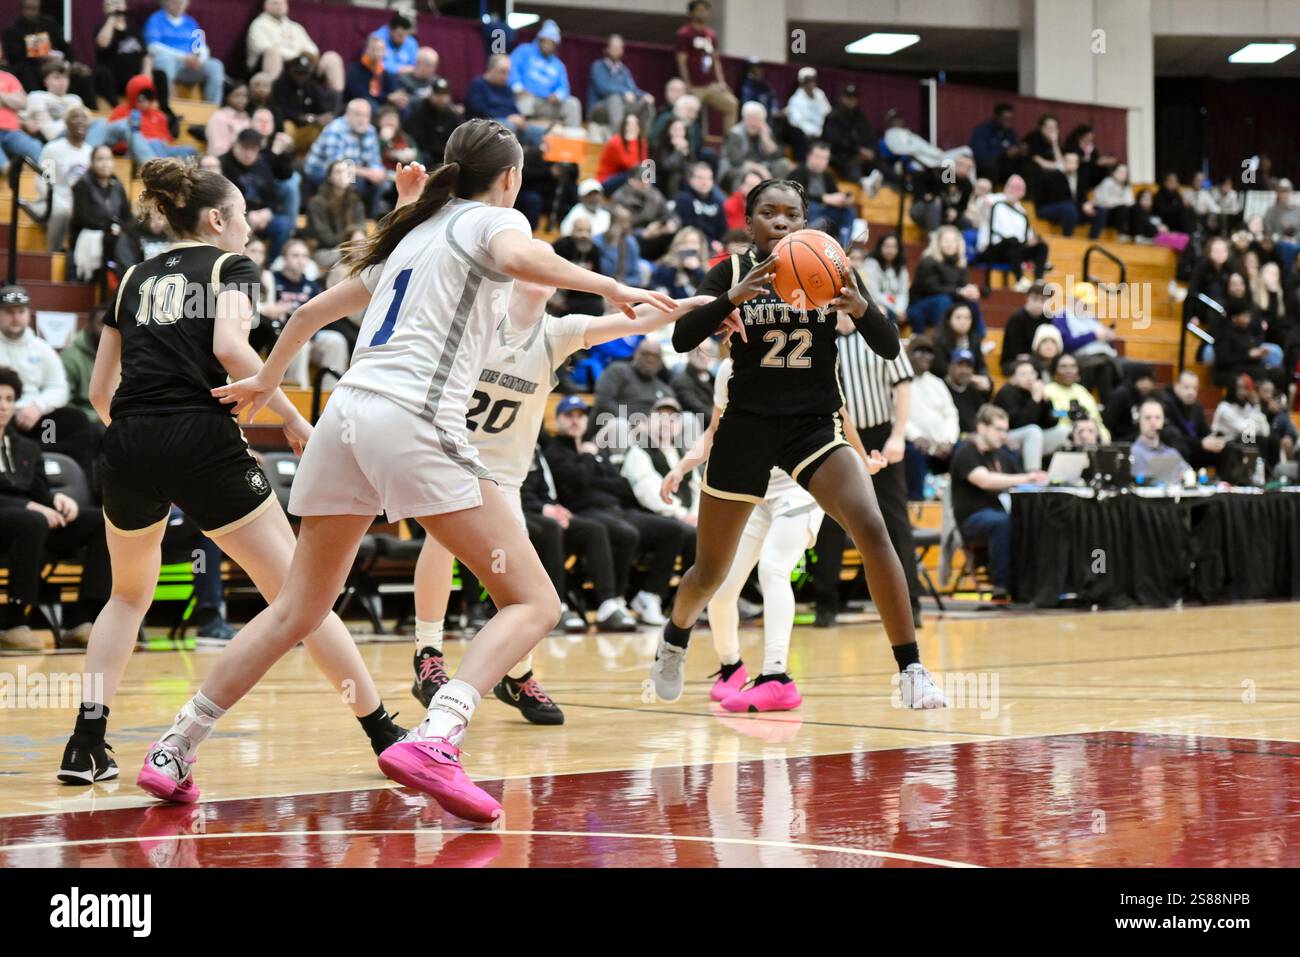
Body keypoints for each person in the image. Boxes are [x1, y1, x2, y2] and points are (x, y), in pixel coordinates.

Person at [142, 121, 673, 821]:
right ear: (509, 179)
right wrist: (609, 283)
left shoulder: (410, 237)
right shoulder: (493, 220)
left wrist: (269, 383)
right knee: (536, 601)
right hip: (411, 419)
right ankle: (439, 734)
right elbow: (524, 255)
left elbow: (305, 314)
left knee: (299, 607)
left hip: (344, 419)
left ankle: (177, 744)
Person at [55, 157, 409, 787]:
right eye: (243, 216)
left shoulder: (133, 276)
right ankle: (382, 730)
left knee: (129, 595)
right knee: (301, 596)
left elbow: (99, 390)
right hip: (199, 435)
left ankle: (86, 744)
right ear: (217, 219)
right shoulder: (230, 267)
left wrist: (144, 432)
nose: (248, 229)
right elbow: (229, 348)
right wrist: (292, 421)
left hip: (130, 439)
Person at [651, 176, 946, 708]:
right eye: (768, 212)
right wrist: (729, 300)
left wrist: (857, 307)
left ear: (805, 222)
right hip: (745, 426)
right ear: (749, 221)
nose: (781, 222)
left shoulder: (830, 266)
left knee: (872, 525)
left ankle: (911, 670)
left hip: (813, 425)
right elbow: (679, 337)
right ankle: (674, 638)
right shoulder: (732, 270)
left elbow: (887, 345)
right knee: (712, 570)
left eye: (791, 214)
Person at [409, 279, 707, 720]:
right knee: (441, 541)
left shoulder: (557, 332)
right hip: (453, 461)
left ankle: (518, 673)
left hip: (504, 480)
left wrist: (697, 306)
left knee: (521, 588)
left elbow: (638, 319)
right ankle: (427, 653)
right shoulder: (479, 324)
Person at [661, 354, 886, 711]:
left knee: (773, 568)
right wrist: (683, 466)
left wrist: (861, 459)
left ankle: (777, 676)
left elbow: (840, 417)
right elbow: (717, 429)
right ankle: (731, 667)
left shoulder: (807, 360)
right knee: (721, 585)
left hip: (800, 485)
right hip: (753, 489)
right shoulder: (729, 370)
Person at [0, 367, 109, 653]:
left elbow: (39, 491)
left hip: (30, 522)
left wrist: (58, 502)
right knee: (33, 521)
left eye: (9, 399)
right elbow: (27, 501)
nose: (3, 406)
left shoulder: (26, 447)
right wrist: (28, 506)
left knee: (101, 521)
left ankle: (80, 619)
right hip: (12, 521)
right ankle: (14, 622)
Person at [0, 285, 99, 480]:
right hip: (4, 416)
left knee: (76, 421)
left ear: (28, 314)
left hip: (39, 421)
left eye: (21, 311)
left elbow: (59, 388)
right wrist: (13, 408)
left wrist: (38, 406)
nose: (16, 317)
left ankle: (86, 490)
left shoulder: (41, 348)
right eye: (9, 312)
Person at [950, 404, 1047, 599]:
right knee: (1002, 522)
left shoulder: (1003, 456)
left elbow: (1020, 481)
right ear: (981, 428)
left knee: (1031, 520)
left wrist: (1039, 479)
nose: (1004, 435)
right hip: (972, 518)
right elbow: (984, 480)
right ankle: (1001, 584)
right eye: (999, 430)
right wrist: (1026, 478)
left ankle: (1032, 582)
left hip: (1000, 512)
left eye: (1006, 430)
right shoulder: (965, 453)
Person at [304, 100, 387, 217]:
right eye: (358, 114)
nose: (362, 119)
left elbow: (374, 161)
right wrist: (369, 173)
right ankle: (348, 222)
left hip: (353, 170)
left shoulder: (370, 130)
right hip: (321, 171)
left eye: (366, 115)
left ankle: (371, 224)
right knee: (353, 181)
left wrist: (378, 172)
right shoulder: (336, 129)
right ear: (348, 114)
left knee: (382, 183)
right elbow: (336, 165)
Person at [220, 128, 294, 259]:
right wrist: (247, 215)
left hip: (262, 217)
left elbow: (273, 196)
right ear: (235, 145)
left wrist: (268, 212)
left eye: (253, 149)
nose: (248, 153)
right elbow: (223, 200)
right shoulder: (223, 164)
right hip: (233, 217)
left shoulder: (262, 165)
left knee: (285, 224)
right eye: (245, 148)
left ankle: (269, 264)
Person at [903, 337, 959, 500]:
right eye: (920, 352)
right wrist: (916, 437)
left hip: (942, 445)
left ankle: (960, 502)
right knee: (913, 454)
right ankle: (917, 502)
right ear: (909, 355)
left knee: (964, 450)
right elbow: (896, 416)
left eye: (929, 353)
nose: (925, 356)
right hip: (916, 444)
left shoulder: (937, 383)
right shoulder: (900, 382)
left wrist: (949, 440)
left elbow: (951, 414)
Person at [246, 0, 343, 92]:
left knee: (332, 58)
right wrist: (297, 55)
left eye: (282, 3)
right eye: (275, 3)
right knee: (272, 53)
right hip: (276, 67)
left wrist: (300, 57)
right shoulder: (259, 25)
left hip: (302, 66)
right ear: (265, 5)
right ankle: (271, 97)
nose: (280, 6)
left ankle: (335, 99)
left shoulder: (295, 27)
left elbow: (313, 50)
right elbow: (261, 47)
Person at [4, 0, 92, 99]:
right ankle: (36, 102)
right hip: (30, 66)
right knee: (27, 71)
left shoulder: (49, 24)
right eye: (28, 9)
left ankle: (85, 106)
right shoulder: (12, 29)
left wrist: (73, 62)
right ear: (21, 10)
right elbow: (14, 56)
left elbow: (65, 47)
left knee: (81, 73)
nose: (31, 13)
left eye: (34, 9)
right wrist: (39, 56)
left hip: (55, 63)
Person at [143, 0, 225, 104]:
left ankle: (212, 109)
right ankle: (166, 106)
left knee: (215, 66)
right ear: (165, 2)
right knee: (163, 60)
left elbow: (202, 46)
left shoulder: (191, 22)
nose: (179, 5)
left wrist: (199, 59)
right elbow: (153, 47)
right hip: (170, 63)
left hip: (190, 66)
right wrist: (184, 57)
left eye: (182, 2)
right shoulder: (155, 20)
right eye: (175, 2)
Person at [34, 105, 93, 253]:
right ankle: (53, 252)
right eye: (75, 117)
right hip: (54, 200)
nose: (80, 121)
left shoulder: (90, 152)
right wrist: (57, 201)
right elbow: (43, 181)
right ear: (66, 123)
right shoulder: (53, 149)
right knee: (61, 211)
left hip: (81, 202)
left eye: (84, 118)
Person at [70, 145, 133, 278]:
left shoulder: (117, 185)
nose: (105, 163)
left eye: (109, 159)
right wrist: (108, 227)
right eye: (100, 159)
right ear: (92, 163)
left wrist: (124, 227)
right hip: (89, 234)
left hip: (114, 233)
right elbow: (81, 217)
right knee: (112, 240)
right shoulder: (82, 185)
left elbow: (127, 215)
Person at [993, 360, 1069, 471]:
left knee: (1063, 431)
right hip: (1008, 438)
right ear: (1013, 378)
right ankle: (1033, 474)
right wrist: (1035, 400)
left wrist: (1046, 401)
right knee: (1033, 431)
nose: (1029, 378)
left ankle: (1062, 475)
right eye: (1023, 374)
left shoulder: (1035, 392)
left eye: (1032, 373)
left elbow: (1050, 423)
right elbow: (1019, 423)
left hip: (1033, 440)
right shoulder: (1006, 392)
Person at [675, 0, 738, 134]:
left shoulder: (711, 35)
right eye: (699, 10)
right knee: (688, 114)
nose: (703, 13)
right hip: (694, 86)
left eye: (705, 10)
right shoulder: (685, 33)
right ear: (691, 13)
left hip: (710, 84)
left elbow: (716, 60)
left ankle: (729, 144)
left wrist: (721, 82)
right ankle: (685, 145)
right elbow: (681, 60)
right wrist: (687, 84)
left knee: (732, 104)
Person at [976, 174, 1049, 290]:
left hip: (1014, 252)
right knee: (1012, 241)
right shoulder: (992, 200)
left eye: (1018, 188)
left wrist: (1033, 241)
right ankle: (1020, 280)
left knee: (1042, 246)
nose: (1013, 191)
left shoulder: (1022, 212)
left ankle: (1038, 281)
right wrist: (983, 201)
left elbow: (1029, 236)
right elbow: (980, 206)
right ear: (1005, 187)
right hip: (991, 249)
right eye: (1011, 186)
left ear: (1023, 193)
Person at [908, 225, 983, 335]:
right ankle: (940, 339)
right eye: (946, 241)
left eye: (953, 241)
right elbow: (931, 288)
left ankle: (977, 342)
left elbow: (962, 287)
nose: (950, 244)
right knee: (943, 300)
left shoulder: (961, 264)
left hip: (947, 302)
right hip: (921, 305)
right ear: (938, 243)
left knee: (972, 302)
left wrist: (970, 291)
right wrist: (959, 291)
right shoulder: (928, 261)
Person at [509, 20, 582, 128]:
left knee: (572, 104)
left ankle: (572, 138)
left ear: (555, 45)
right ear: (540, 40)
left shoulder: (558, 65)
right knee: (524, 100)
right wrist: (518, 88)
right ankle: (520, 133)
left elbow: (564, 88)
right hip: (526, 98)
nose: (548, 45)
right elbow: (512, 69)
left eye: (551, 43)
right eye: (545, 41)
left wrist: (557, 96)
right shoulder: (524, 51)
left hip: (547, 103)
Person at [789, 140, 856, 249]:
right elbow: (795, 196)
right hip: (805, 213)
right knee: (814, 207)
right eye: (818, 157)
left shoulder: (827, 176)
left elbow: (835, 195)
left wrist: (845, 199)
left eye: (825, 158)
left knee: (849, 211)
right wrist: (824, 198)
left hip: (825, 213)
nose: (820, 161)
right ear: (809, 156)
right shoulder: (797, 173)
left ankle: (843, 247)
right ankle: (805, 243)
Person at [306, 158, 367, 272]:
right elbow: (325, 237)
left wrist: (357, 234)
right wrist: (351, 240)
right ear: (329, 178)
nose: (343, 175)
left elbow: (361, 225)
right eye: (338, 172)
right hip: (326, 251)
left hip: (353, 248)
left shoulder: (355, 200)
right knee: (352, 256)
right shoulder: (317, 202)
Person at [588, 34, 654, 131]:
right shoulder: (597, 66)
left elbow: (632, 89)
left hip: (621, 107)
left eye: (620, 48)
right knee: (615, 98)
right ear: (607, 49)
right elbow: (602, 87)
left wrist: (644, 95)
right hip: (598, 109)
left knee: (646, 103)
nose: (617, 50)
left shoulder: (624, 70)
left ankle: (644, 141)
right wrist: (624, 92)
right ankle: (618, 138)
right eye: (614, 47)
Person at [93, 0, 150, 107]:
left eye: (118, 3)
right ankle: (117, 107)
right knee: (101, 72)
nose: (115, 7)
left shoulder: (134, 27)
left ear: (125, 6)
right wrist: (111, 18)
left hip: (135, 77)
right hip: (115, 79)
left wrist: (146, 74)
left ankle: (164, 111)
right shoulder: (100, 28)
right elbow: (103, 43)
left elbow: (145, 54)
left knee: (160, 74)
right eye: (110, 4)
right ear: (105, 9)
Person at [1044, 353, 1110, 443]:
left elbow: (1096, 418)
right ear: (1054, 371)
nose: (1069, 370)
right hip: (1063, 434)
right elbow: (1052, 413)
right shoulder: (1048, 390)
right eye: (1063, 367)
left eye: (1073, 366)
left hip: (1089, 433)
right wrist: (1068, 413)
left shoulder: (1082, 390)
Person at [822, 84, 879, 186]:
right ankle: (863, 184)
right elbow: (835, 140)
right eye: (848, 97)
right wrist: (858, 150)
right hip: (841, 155)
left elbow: (870, 136)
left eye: (854, 98)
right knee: (852, 164)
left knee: (879, 162)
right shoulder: (834, 115)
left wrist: (871, 150)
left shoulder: (860, 117)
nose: (851, 100)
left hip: (860, 155)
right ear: (843, 97)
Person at [720, 101, 789, 182]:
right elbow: (736, 160)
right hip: (738, 168)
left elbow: (777, 155)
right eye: (750, 119)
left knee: (783, 164)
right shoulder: (735, 133)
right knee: (748, 173)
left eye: (757, 120)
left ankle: (776, 191)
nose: (753, 123)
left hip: (762, 165)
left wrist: (766, 139)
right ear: (744, 119)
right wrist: (759, 169)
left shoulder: (766, 131)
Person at [405, 77, 462, 167]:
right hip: (426, 154)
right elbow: (416, 139)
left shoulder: (452, 115)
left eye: (445, 95)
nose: (442, 99)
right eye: (438, 94)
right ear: (431, 94)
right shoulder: (419, 112)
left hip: (445, 155)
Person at [1130, 398, 1190, 481]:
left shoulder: (1172, 453)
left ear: (1163, 421)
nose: (1153, 422)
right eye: (1147, 418)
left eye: (1157, 417)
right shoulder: (1131, 454)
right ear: (1138, 421)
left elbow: (1190, 474)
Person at [0, 69, 46, 175]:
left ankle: (50, 179)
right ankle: (8, 171)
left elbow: (23, 103)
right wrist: (9, 99)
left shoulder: (8, 78)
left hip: (12, 131)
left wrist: (1, 96)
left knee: (36, 147)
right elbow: (16, 101)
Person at [999, 282, 1050, 376]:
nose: (1038, 304)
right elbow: (1014, 351)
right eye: (1035, 299)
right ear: (1027, 298)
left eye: (1043, 300)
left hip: (1036, 360)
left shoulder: (1048, 319)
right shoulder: (1016, 319)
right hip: (1012, 362)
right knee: (1036, 367)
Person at [344, 35, 403, 115]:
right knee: (371, 104)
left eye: (380, 50)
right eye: (374, 49)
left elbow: (392, 90)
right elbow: (361, 94)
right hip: (359, 106)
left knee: (402, 107)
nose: (377, 53)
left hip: (382, 105)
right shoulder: (355, 70)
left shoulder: (385, 73)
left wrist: (397, 97)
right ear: (366, 50)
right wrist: (387, 98)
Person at [465, 54, 526, 131]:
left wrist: (519, 118)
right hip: (484, 126)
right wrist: (507, 118)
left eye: (508, 73)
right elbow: (480, 111)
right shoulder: (477, 84)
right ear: (490, 70)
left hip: (510, 123)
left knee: (537, 131)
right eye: (502, 72)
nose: (506, 76)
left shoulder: (506, 87)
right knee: (508, 126)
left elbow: (514, 108)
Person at [969, 102, 1026, 184]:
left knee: (1025, 166)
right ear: (997, 117)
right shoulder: (983, 130)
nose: (1008, 121)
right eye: (1005, 118)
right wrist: (1004, 154)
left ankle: (1021, 194)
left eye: (1010, 119)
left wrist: (1019, 151)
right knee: (990, 166)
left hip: (1006, 164)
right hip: (987, 163)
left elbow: (1016, 146)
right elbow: (980, 154)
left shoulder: (1011, 132)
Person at [675, 161, 728, 246]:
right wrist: (710, 243)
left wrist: (721, 243)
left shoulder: (718, 201)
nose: (705, 182)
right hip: (692, 244)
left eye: (709, 178)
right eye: (700, 178)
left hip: (716, 246)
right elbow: (687, 228)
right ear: (690, 179)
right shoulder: (684, 199)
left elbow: (723, 228)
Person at [863, 233, 909, 327]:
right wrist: (894, 308)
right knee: (883, 312)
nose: (890, 250)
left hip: (895, 307)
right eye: (887, 246)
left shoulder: (901, 268)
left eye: (893, 247)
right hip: (875, 304)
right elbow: (872, 292)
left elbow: (903, 292)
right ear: (880, 247)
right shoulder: (871, 264)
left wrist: (900, 309)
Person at [597, 113, 648, 188]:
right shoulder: (615, 141)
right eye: (629, 124)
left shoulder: (642, 142)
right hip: (607, 180)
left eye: (635, 124)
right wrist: (632, 141)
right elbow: (628, 164)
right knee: (629, 177)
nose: (632, 127)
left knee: (652, 179)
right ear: (623, 126)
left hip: (628, 177)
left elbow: (644, 164)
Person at [945, 348, 989, 434]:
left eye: (968, 366)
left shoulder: (973, 389)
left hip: (976, 436)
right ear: (950, 366)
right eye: (960, 365)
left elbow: (983, 416)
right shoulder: (942, 388)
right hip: (953, 439)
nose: (964, 371)